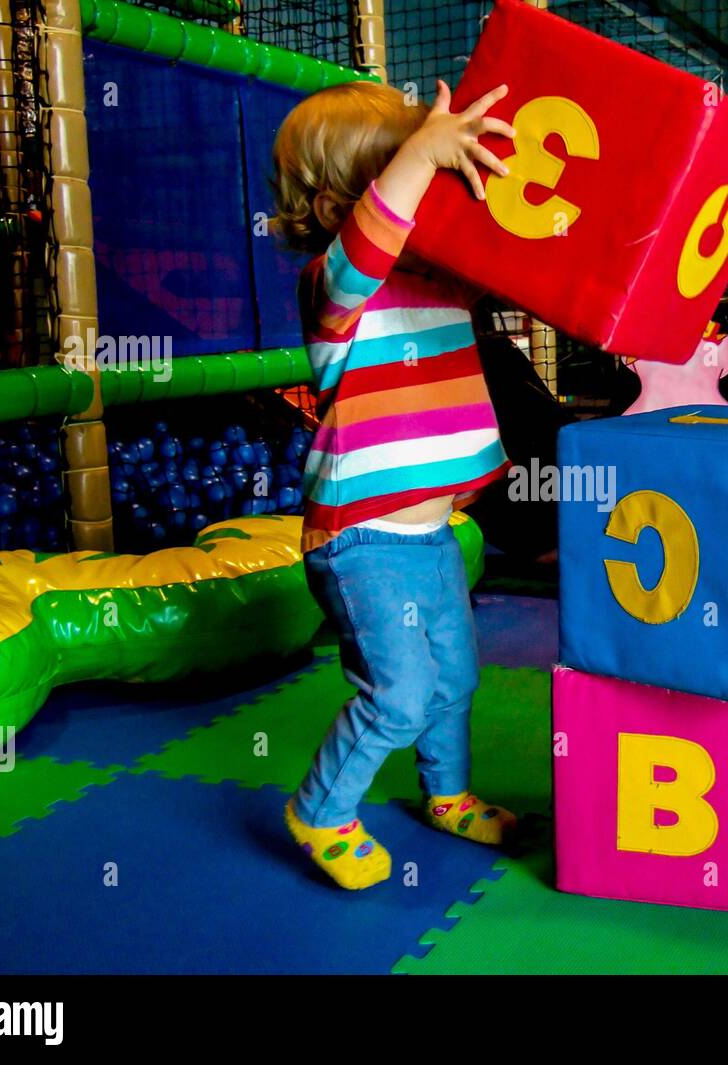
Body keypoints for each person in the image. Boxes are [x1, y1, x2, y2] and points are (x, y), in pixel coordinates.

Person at [271, 79, 518, 890]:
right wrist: (420, 152)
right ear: (344, 196)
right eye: (406, 174)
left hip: (432, 534)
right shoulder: (338, 287)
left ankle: (447, 796)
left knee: (456, 676)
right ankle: (321, 808)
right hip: (361, 539)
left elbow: (507, 262)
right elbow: (373, 239)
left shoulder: (439, 284)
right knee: (402, 693)